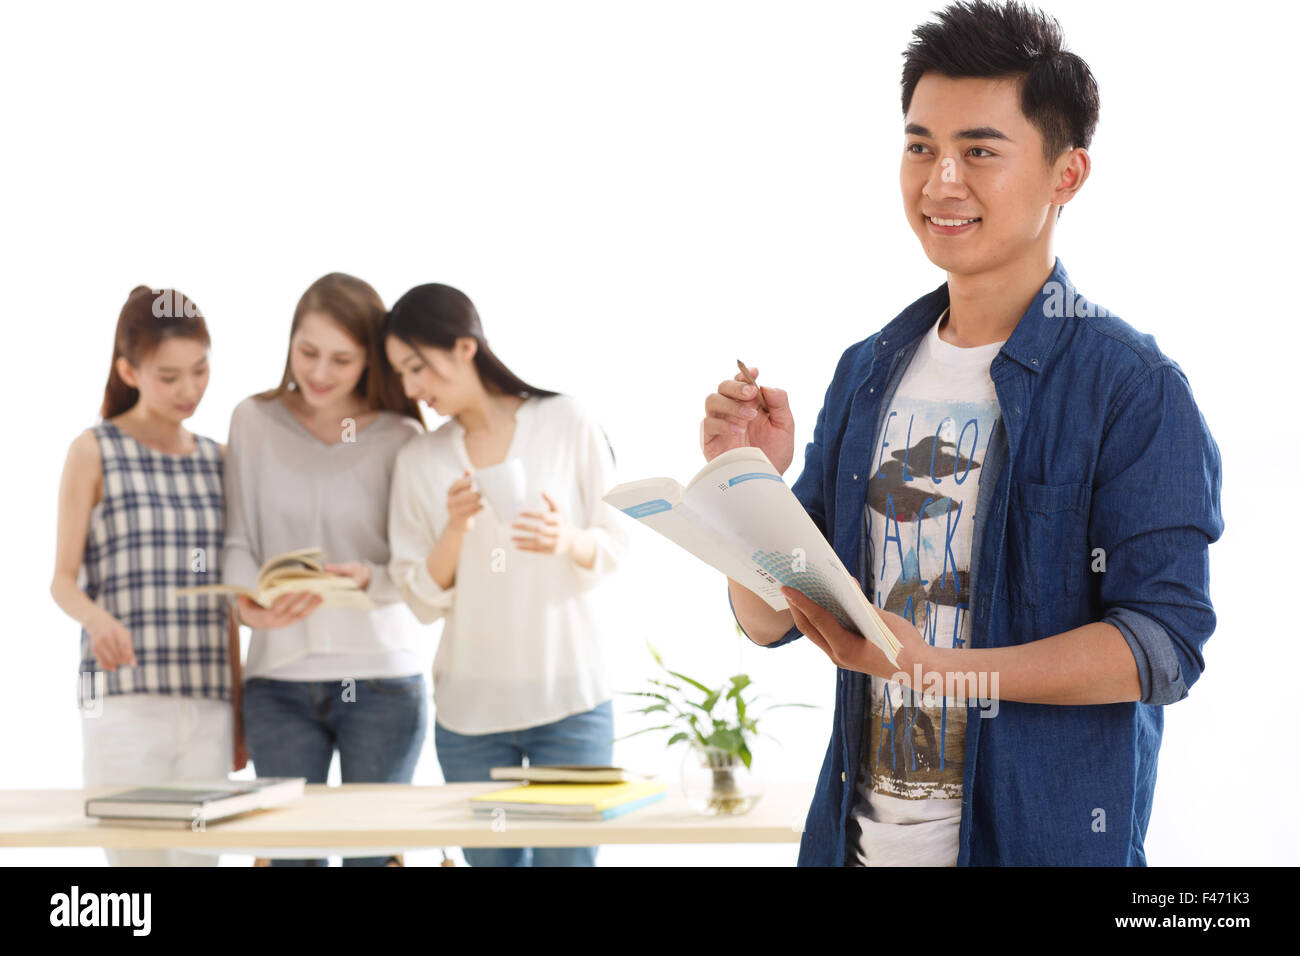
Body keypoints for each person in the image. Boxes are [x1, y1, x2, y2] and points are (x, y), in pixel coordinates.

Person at [707, 0, 1223, 866]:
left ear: (1067, 174)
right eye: (920, 147)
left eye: (980, 151)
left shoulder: (1132, 389)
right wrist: (747, 485)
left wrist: (947, 671)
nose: (941, 180)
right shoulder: (868, 368)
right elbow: (768, 621)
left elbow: (1162, 648)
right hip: (853, 847)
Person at [384, 282, 631, 867]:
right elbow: (419, 598)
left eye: (418, 366)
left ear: (465, 347)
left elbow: (617, 540)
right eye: (401, 374)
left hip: (569, 702)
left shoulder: (565, 420)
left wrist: (566, 538)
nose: (412, 389)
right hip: (470, 717)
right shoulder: (419, 459)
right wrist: (455, 530)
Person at [223, 273, 426, 866]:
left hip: (383, 682)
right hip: (277, 682)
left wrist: (368, 577)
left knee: (371, 858)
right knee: (290, 859)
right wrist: (246, 600)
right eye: (307, 352)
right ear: (289, 343)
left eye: (342, 359)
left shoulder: (401, 435)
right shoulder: (252, 420)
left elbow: (411, 570)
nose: (319, 372)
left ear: (370, 359)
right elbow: (236, 539)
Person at [51, 285, 243, 867]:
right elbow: (61, 579)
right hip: (125, 700)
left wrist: (238, 710)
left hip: (206, 699)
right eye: (169, 376)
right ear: (128, 370)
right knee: (137, 878)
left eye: (200, 370)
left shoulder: (221, 460)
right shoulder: (94, 451)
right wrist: (96, 617)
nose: (189, 390)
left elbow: (229, 597)